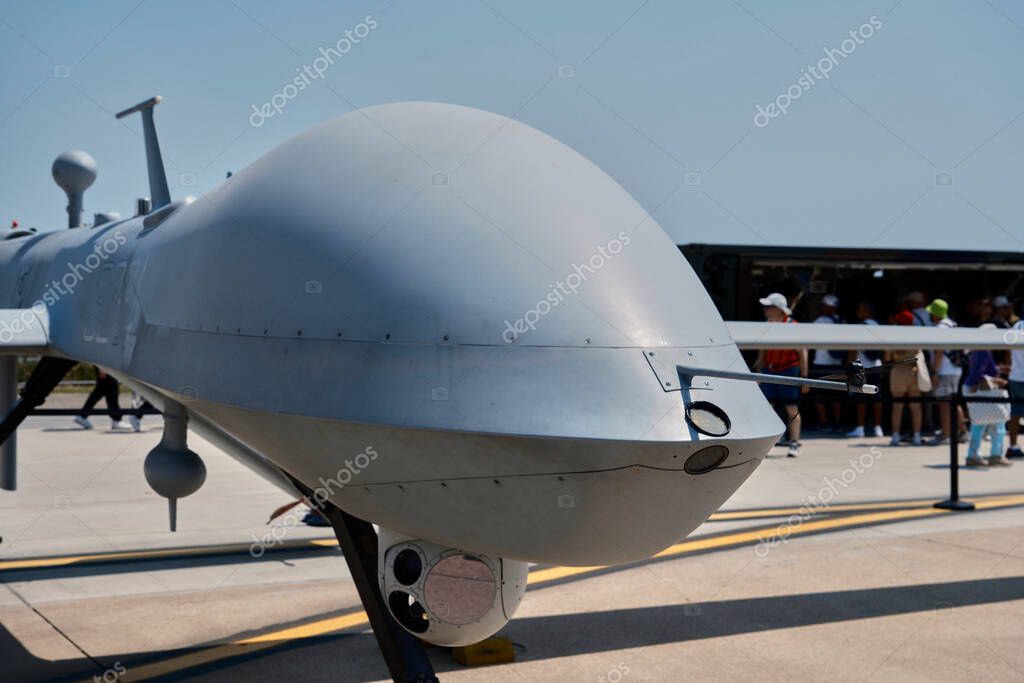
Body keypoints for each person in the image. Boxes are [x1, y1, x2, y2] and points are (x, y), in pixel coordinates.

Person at [753, 292, 809, 457]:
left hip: (789, 371)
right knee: (767, 409)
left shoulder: (792, 326)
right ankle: (767, 444)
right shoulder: (768, 324)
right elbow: (763, 349)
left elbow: (803, 353)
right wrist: (759, 370)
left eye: (769, 307)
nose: (765, 309)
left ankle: (794, 443)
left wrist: (804, 379)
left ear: (778, 309)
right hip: (769, 371)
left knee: (791, 409)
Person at [963, 326, 1012, 467]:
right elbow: (978, 374)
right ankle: (995, 455)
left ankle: (973, 455)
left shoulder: (979, 349)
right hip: (981, 391)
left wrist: (999, 369)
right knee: (998, 423)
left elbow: (979, 371)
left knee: (979, 424)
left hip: (975, 390)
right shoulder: (982, 350)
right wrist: (998, 380)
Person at [928, 298, 966, 444]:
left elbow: (939, 352)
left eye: (931, 312)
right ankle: (963, 432)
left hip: (944, 372)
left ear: (936, 313)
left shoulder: (940, 328)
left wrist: (934, 373)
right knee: (954, 403)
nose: (930, 315)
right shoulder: (952, 324)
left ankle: (946, 434)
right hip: (955, 371)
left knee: (943, 403)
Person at [846, 301, 884, 438]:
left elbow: (852, 348)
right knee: (877, 397)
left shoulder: (860, 327)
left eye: (860, 309)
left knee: (860, 397)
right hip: (877, 365)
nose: (857, 311)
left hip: (861, 366)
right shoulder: (878, 326)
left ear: (867, 311)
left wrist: (849, 366)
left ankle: (860, 428)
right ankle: (878, 428)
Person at [888, 310, 923, 446]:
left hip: (898, 370)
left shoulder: (894, 336)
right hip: (913, 369)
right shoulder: (916, 336)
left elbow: (887, 357)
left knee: (897, 406)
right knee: (916, 407)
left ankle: (895, 436)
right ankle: (917, 437)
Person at [810, 294, 844, 433]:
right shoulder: (842, 321)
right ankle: (837, 423)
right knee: (836, 396)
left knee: (819, 396)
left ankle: (824, 423)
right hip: (838, 364)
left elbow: (808, 336)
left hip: (820, 363)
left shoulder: (820, 320)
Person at [1007, 312, 1024, 459]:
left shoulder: (1015, 327)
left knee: (1015, 414)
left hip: (1015, 375)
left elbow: (1007, 350)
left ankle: (1012, 445)